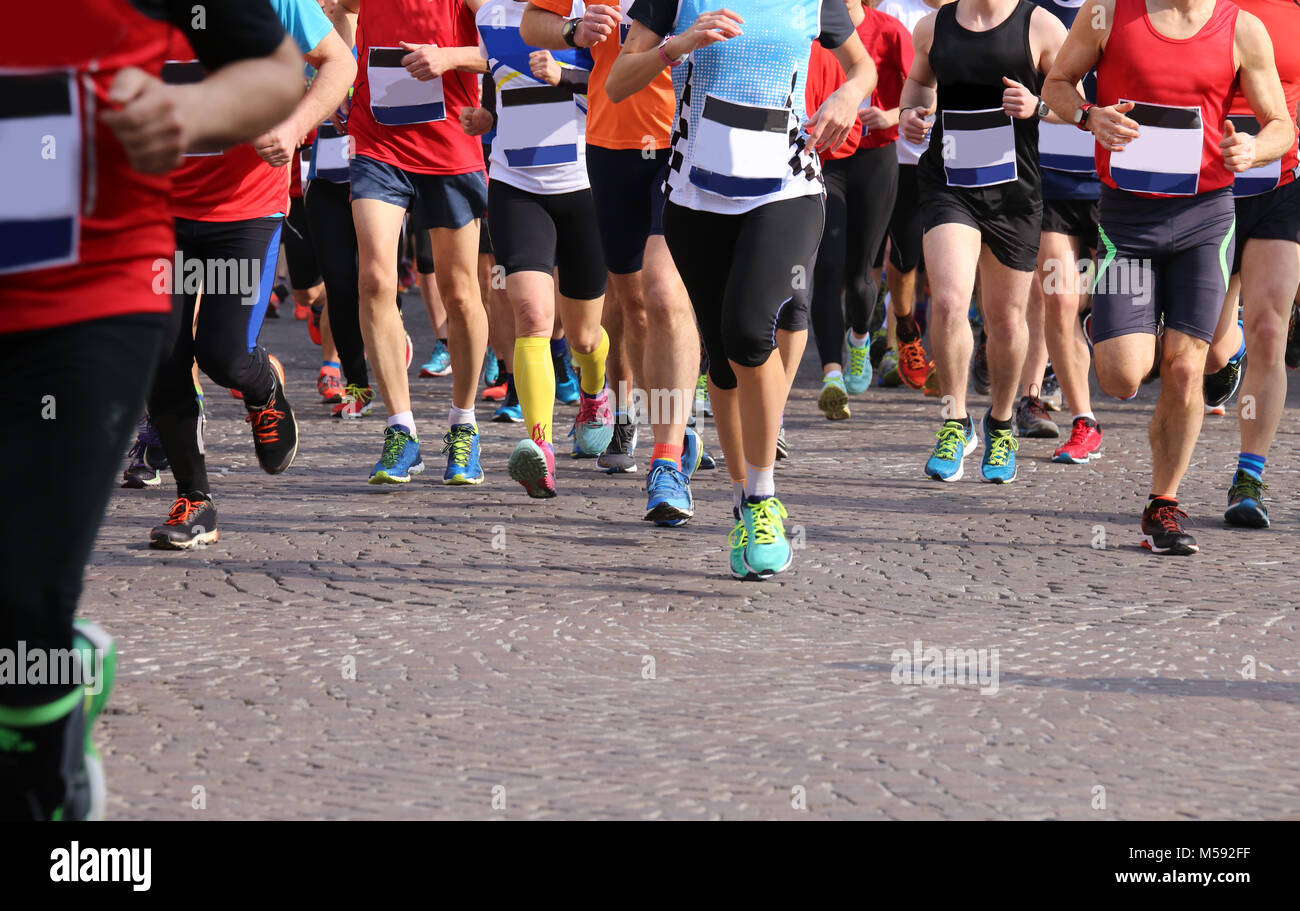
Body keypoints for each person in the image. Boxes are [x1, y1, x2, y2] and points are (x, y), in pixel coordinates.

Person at [1, 0, 301, 821]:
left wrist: (190, 109)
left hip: (87, 300)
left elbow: (285, 69)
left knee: (25, 600)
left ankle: (54, 795)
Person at [607, 0, 876, 577]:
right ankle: (740, 499)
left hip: (786, 189)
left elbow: (863, 67)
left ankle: (762, 498)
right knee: (723, 361)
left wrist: (847, 97)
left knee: (750, 331)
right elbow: (615, 84)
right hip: (695, 196)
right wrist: (677, 45)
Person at [1043, 0, 1291, 554]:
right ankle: (1117, 323)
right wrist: (1089, 115)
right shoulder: (1106, 13)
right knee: (1122, 378)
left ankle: (1164, 505)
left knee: (1184, 368)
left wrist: (1252, 148)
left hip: (1205, 219)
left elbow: (1281, 126)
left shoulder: (1241, 28)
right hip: (1127, 224)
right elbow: (1056, 84)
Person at [148, 0, 355, 549]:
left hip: (244, 210)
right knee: (161, 358)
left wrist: (292, 128)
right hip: (157, 211)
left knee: (222, 354)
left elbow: (339, 62)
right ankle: (195, 499)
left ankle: (263, 386)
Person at [521, 0, 707, 527]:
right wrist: (572, 29)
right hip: (610, 144)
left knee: (663, 290)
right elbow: (532, 23)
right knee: (628, 302)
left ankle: (674, 437)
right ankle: (638, 414)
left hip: (679, 140)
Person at [901, 0, 1068, 484]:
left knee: (1005, 318)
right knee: (950, 301)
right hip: (947, 182)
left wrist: (1039, 107)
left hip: (1014, 192)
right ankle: (954, 420)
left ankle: (1000, 423)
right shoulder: (934, 25)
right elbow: (917, 84)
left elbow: (1072, 100)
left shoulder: (1039, 25)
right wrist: (911, 111)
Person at [332, 0, 492, 485]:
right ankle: (400, 430)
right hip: (377, 143)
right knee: (375, 279)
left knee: (460, 291)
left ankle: (463, 426)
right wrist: (342, 80)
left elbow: (509, 48)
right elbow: (342, 9)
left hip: (450, 147)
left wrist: (449, 58)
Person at [468, 0, 614, 498]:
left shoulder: (593, 12)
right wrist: (484, 116)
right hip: (515, 185)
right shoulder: (488, 17)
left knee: (585, 337)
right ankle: (540, 447)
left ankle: (594, 396)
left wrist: (566, 76)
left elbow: (619, 96)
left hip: (584, 186)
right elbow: (496, 83)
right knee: (531, 316)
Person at [1197, 0, 1300, 528]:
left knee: (1269, 329)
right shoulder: (1197, 7)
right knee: (1211, 351)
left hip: (1281, 184)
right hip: (1203, 189)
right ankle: (1224, 347)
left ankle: (1249, 477)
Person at [806, 0, 913, 420]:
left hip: (875, 159)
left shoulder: (888, 30)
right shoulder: (808, 22)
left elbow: (924, 89)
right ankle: (831, 373)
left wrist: (889, 115)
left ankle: (860, 337)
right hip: (826, 158)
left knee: (861, 274)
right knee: (826, 270)